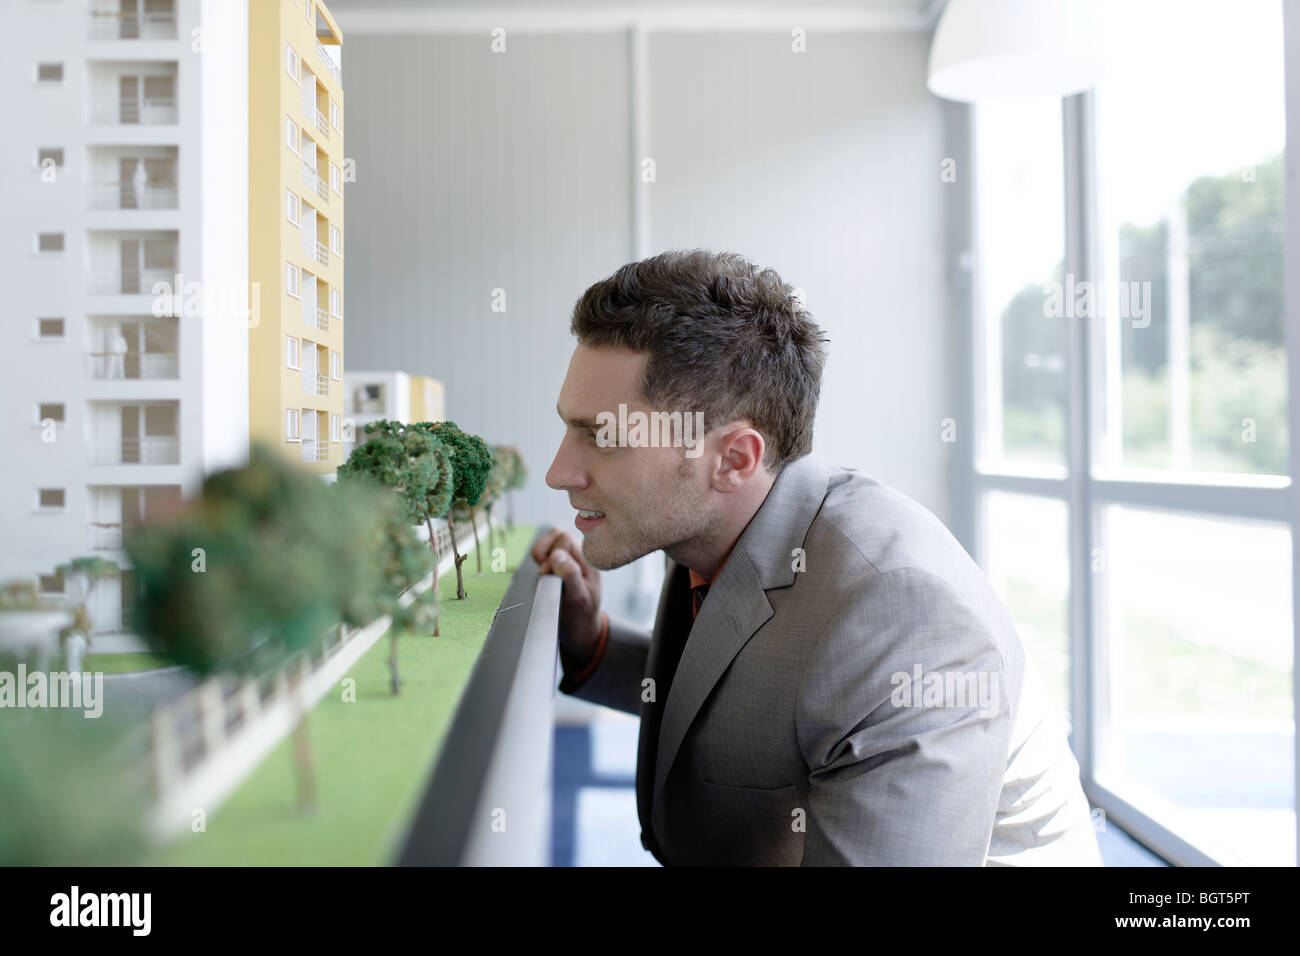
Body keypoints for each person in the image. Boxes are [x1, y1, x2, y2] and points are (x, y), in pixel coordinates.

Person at [533, 248, 1103, 866]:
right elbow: (743, 683)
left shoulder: (901, 613)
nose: (558, 471)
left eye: (602, 436)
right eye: (569, 427)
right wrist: (592, 643)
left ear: (733, 459)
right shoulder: (722, 522)